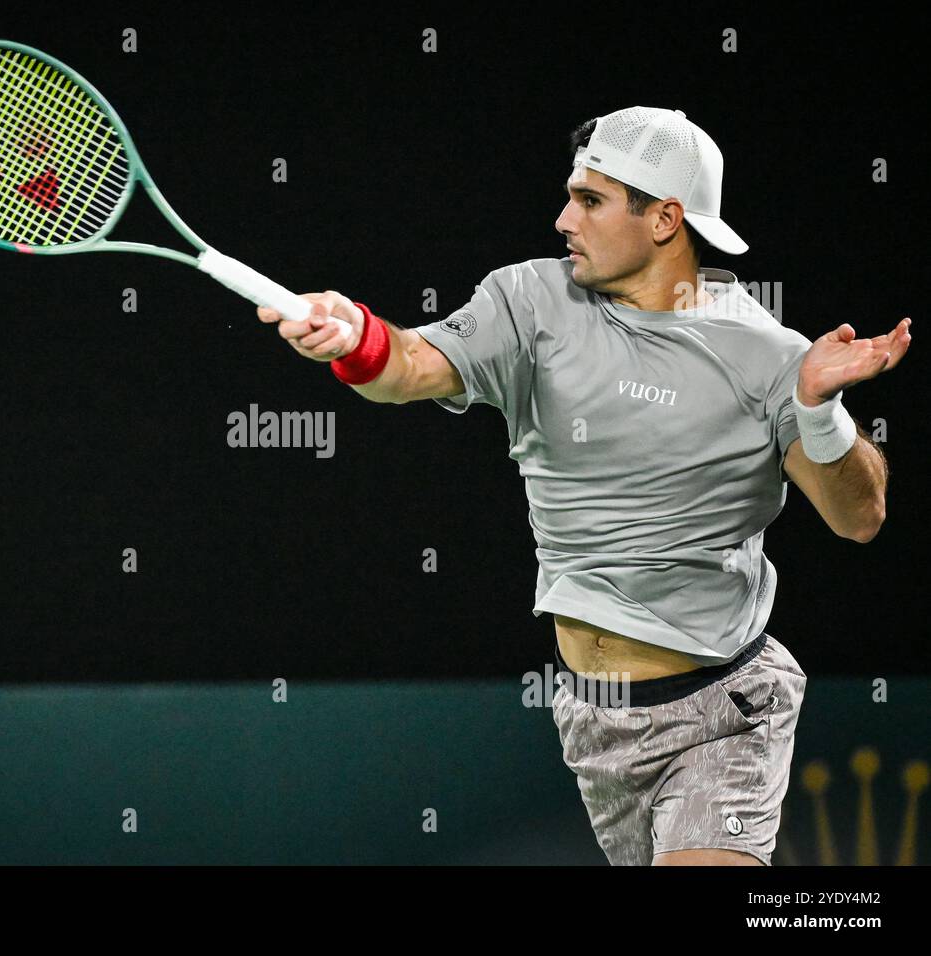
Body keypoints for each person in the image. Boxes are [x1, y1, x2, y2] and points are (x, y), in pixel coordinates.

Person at [256, 106, 910, 866]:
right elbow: (409, 365)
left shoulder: (769, 357)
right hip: (593, 713)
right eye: (573, 193)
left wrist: (817, 411)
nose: (564, 218)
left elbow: (859, 518)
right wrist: (355, 336)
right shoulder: (530, 302)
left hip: (724, 713)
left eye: (592, 201)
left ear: (665, 219)